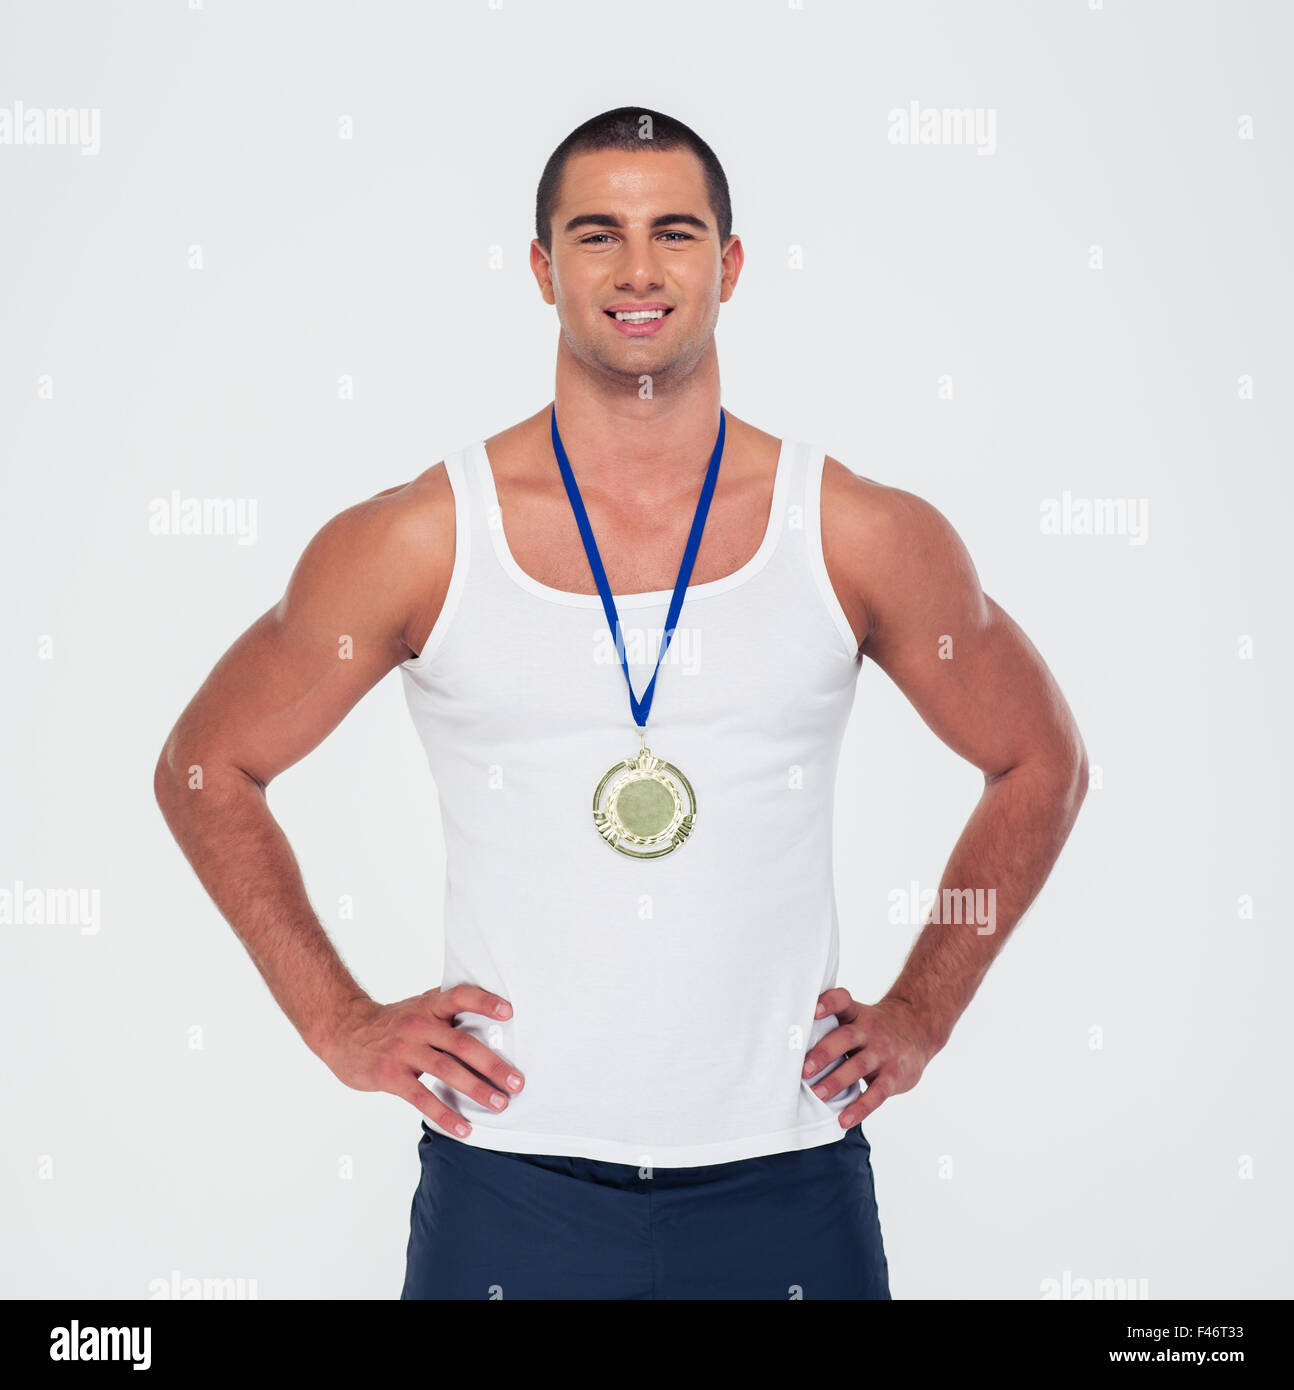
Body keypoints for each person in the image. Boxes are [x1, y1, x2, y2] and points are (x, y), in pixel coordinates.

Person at [154, 107, 1088, 1300]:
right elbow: (206, 764)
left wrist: (921, 1010)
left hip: (786, 1181)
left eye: (675, 234)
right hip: (511, 1188)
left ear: (729, 265)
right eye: (598, 235)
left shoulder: (858, 532)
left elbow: (1038, 759)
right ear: (544, 269)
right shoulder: (418, 541)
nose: (638, 271)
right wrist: (337, 1021)